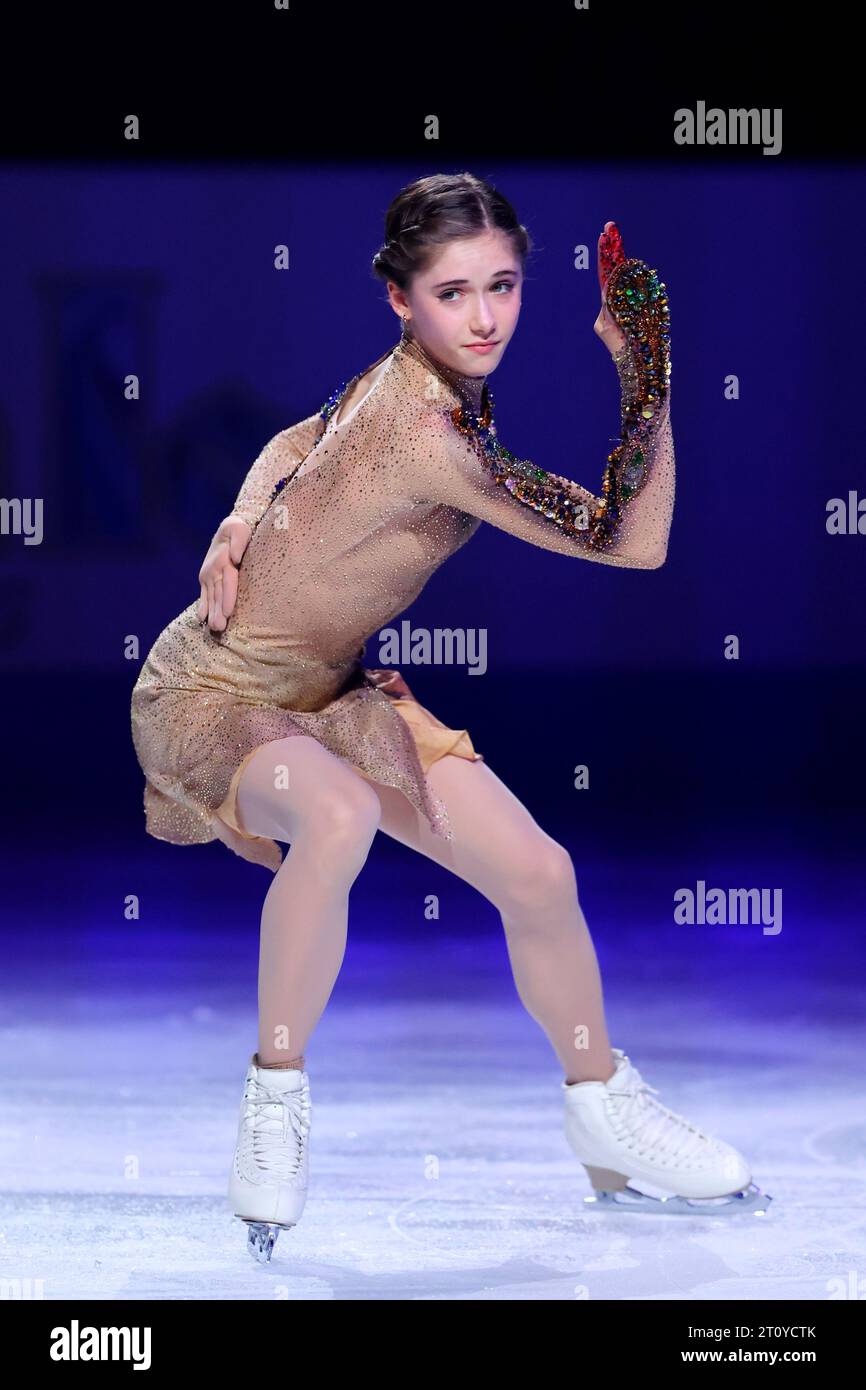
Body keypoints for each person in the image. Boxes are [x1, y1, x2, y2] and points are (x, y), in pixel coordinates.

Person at [130, 173, 769, 1262]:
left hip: (330, 695)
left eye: (503, 286)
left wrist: (238, 518)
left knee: (540, 875)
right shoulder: (428, 431)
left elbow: (295, 435)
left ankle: (602, 1109)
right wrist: (645, 371)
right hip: (209, 694)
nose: (483, 318)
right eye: (452, 293)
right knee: (336, 818)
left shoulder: (411, 384)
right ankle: (274, 1099)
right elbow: (635, 542)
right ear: (400, 299)